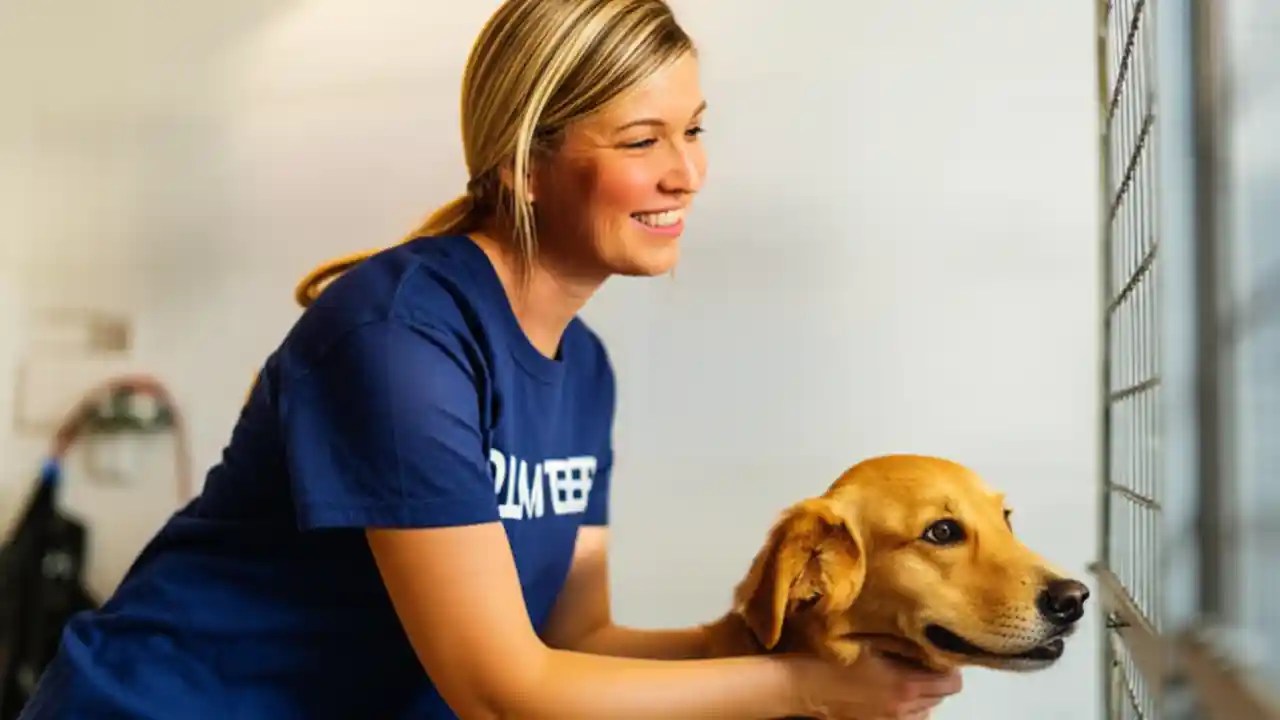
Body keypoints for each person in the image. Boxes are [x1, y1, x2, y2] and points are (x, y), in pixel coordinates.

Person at [19, 1, 964, 718]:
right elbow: (501, 691)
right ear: (521, 161)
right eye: (643, 139)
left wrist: (804, 641)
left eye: (694, 127)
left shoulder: (582, 367)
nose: (688, 171)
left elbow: (573, 639)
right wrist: (799, 688)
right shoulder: (398, 341)